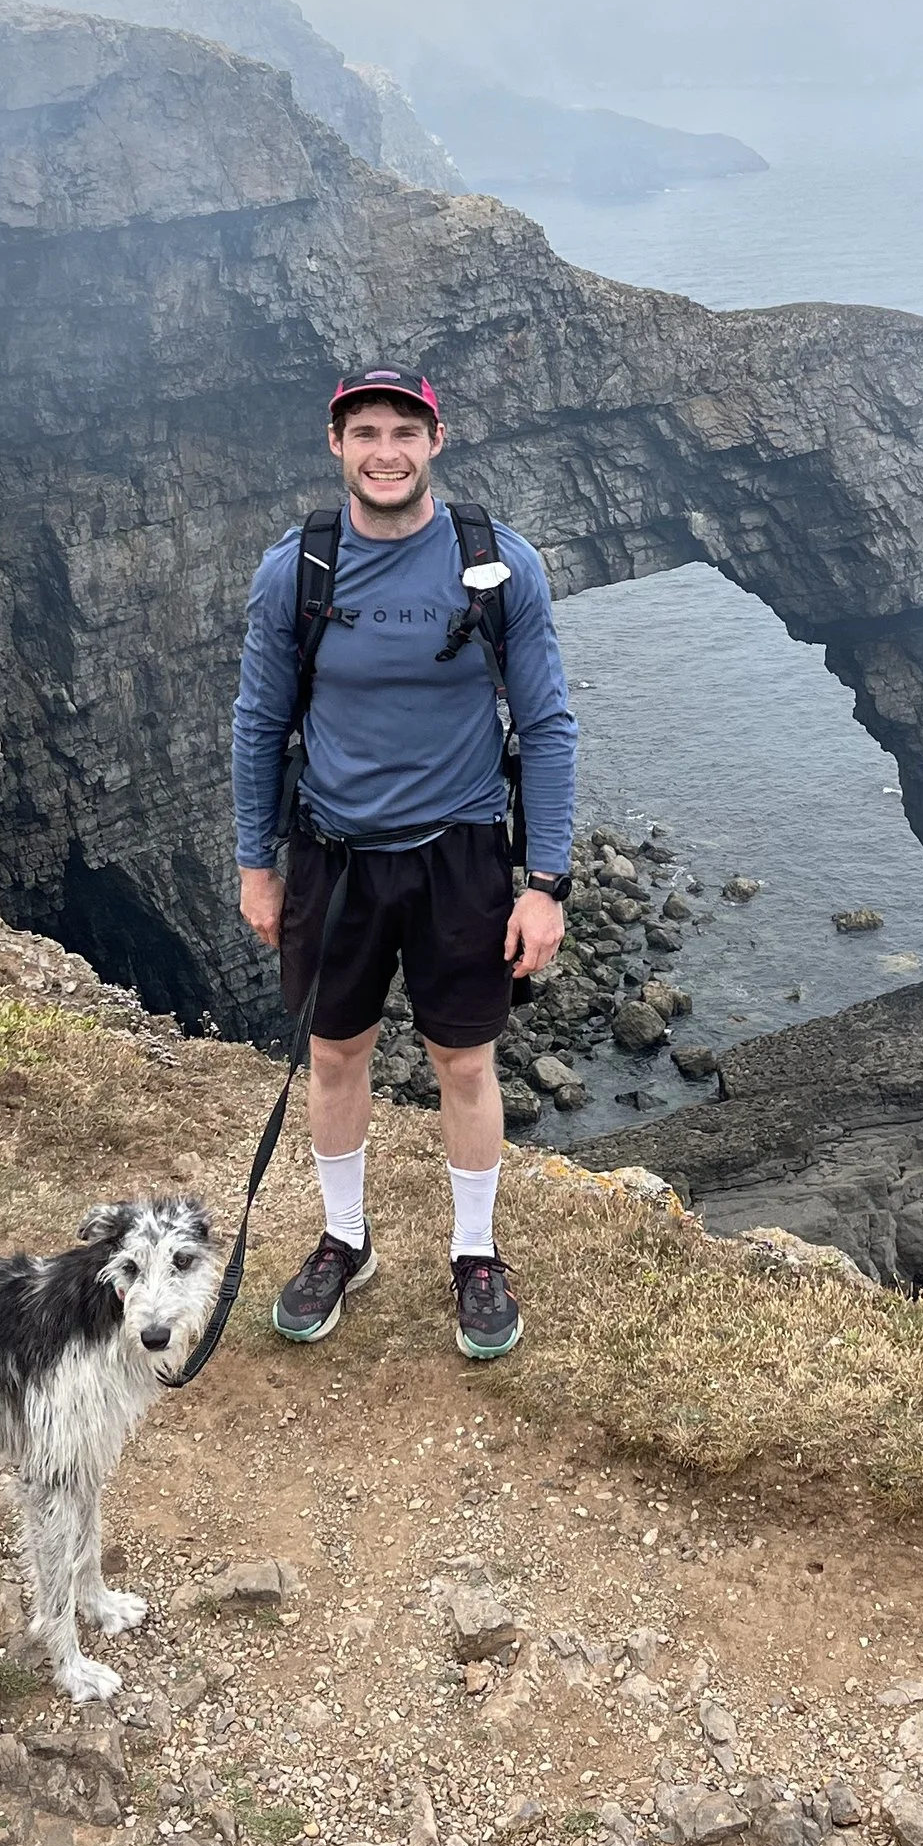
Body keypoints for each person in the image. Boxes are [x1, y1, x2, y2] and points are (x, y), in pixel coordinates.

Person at [231, 370, 577, 1361]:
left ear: (437, 440)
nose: (386, 451)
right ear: (336, 444)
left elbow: (548, 724)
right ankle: (345, 1239)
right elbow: (258, 723)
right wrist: (257, 865)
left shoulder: (498, 564)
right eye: (366, 432)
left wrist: (544, 883)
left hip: (460, 856)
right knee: (335, 1055)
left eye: (404, 432)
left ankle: (475, 1255)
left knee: (464, 1062)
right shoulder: (296, 571)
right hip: (334, 857)